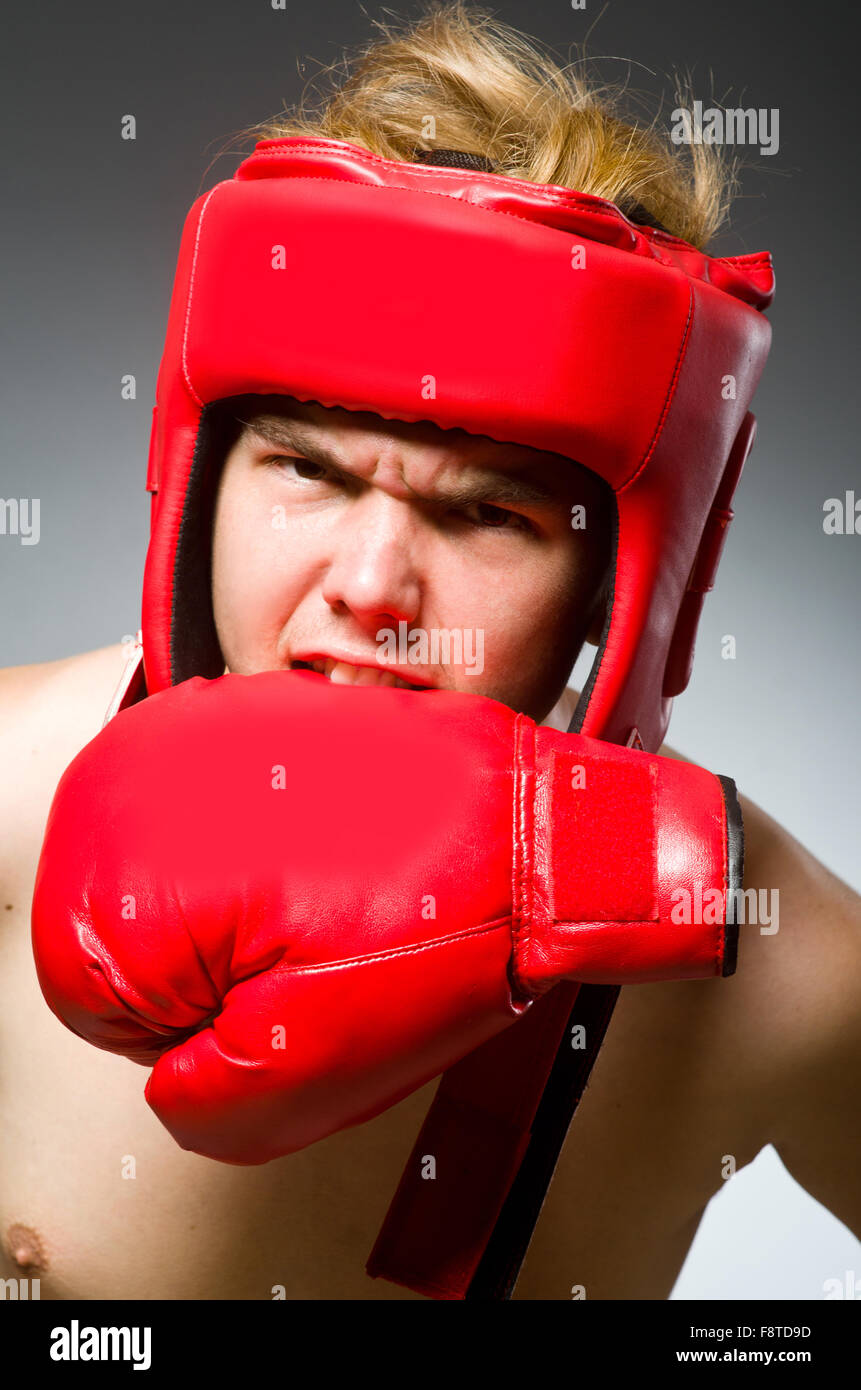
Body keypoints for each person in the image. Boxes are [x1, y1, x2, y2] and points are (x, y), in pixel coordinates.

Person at [2, 4, 858, 1301]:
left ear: (620, 582)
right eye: (308, 470)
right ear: (199, 477)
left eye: (484, 512)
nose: (366, 590)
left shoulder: (759, 961)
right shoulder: (7, 791)